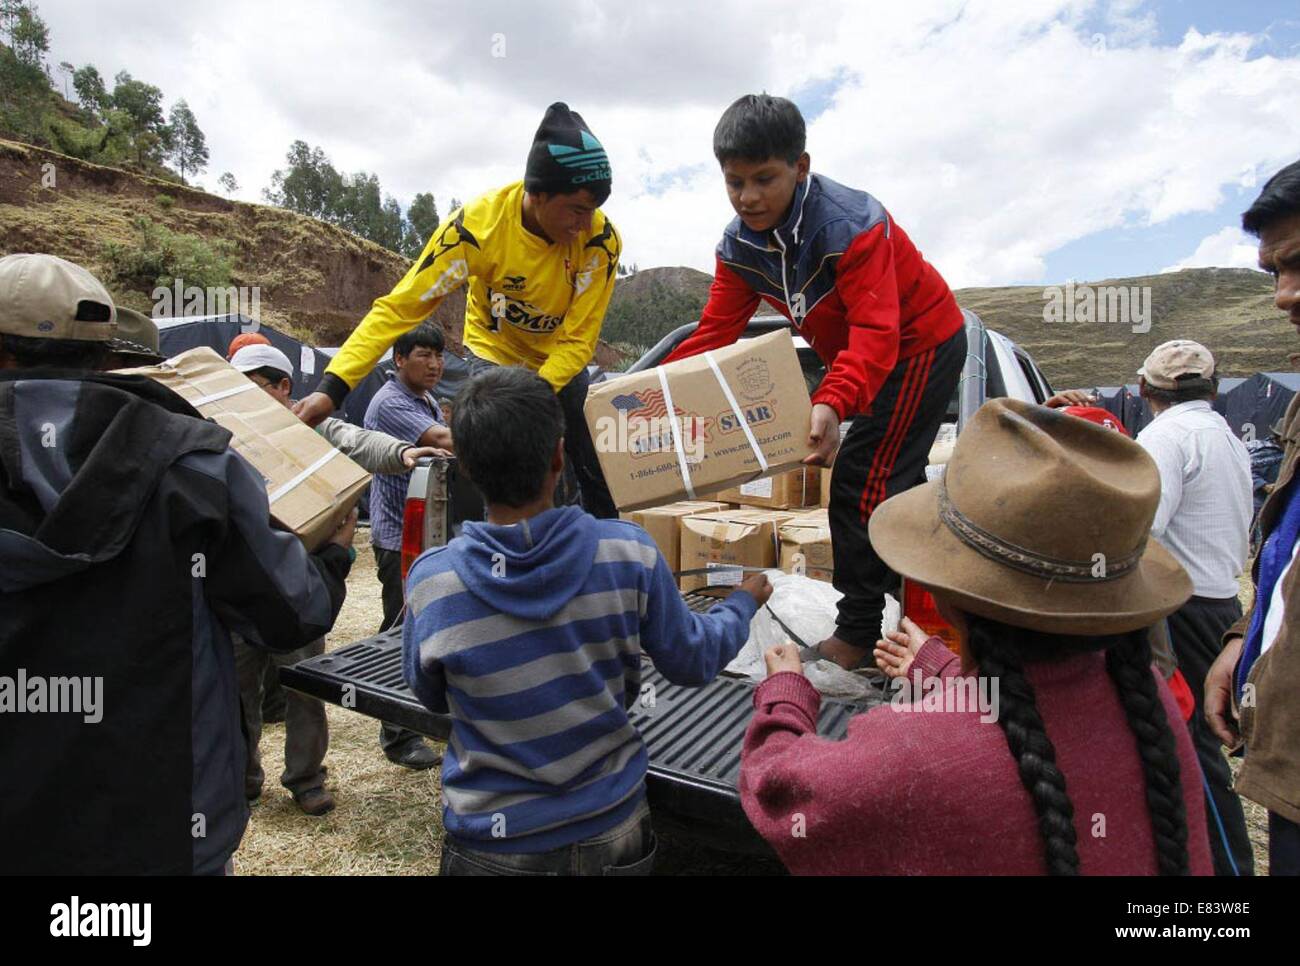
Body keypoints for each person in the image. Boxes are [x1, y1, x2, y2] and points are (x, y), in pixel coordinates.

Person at [740, 397, 1212, 875]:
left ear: (950, 594)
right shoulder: (1147, 699)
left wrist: (786, 693)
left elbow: (781, 793)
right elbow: (1035, 711)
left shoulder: (911, 754)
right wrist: (944, 671)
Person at [0, 254, 353, 874]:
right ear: (105, 353)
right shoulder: (194, 467)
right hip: (161, 824)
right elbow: (292, 613)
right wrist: (332, 553)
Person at [402, 366, 772, 875]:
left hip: (492, 842)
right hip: (611, 828)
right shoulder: (627, 553)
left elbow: (430, 695)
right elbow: (693, 659)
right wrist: (742, 603)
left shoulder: (433, 582)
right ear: (560, 454)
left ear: (463, 465)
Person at [661, 94, 966, 672]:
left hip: (918, 345)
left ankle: (859, 634)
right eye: (733, 182)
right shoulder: (740, 245)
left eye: (764, 179)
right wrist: (651, 391)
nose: (747, 197)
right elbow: (714, 332)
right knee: (877, 482)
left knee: (863, 480)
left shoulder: (852, 226)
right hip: (865, 352)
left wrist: (831, 399)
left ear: (800, 167)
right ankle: (907, 626)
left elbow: (877, 334)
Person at [294, 102, 621, 518]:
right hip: (496, 353)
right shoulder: (475, 231)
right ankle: (506, 549)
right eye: (576, 209)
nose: (585, 222)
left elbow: (578, 338)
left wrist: (538, 391)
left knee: (592, 458)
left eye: (593, 209)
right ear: (535, 194)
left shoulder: (600, 241)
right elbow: (401, 308)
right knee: (509, 462)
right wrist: (332, 388)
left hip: (561, 357)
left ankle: (606, 536)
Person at [229, 343, 441, 808]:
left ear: (283, 388)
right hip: (239, 582)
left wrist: (402, 452)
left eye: (252, 387)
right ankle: (242, 779)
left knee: (302, 685)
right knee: (237, 689)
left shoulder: (308, 425)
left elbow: (356, 440)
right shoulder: (224, 429)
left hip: (295, 581)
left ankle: (306, 780)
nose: (241, 397)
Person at [1207, 157, 1300, 877]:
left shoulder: (1168, 443)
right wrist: (1250, 631)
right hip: (1283, 742)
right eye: (1273, 273)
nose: (1282, 296)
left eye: (1299, 266)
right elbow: (1283, 548)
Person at [1131, 339, 1254, 876]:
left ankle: (1226, 876)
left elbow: (1144, 528)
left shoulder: (1164, 437)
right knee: (1202, 739)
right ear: (1216, 386)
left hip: (1179, 605)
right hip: (1220, 601)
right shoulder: (1224, 436)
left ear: (1143, 390)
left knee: (1192, 745)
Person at [361, 322, 453, 768]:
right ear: (399, 359)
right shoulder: (393, 402)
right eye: (423, 354)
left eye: (438, 355)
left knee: (423, 627)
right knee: (401, 630)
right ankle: (396, 734)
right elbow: (443, 442)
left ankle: (417, 716)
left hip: (420, 535)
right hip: (400, 537)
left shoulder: (426, 398)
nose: (434, 364)